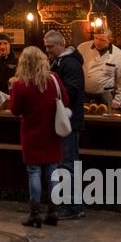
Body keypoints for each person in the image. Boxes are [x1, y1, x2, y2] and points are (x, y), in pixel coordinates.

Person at [9, 46, 64, 228]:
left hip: (32, 133)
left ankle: (35, 213)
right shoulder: (53, 80)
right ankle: (54, 210)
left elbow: (16, 110)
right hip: (51, 132)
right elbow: (66, 100)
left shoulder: (19, 84)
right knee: (52, 170)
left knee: (34, 172)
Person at [44, 29, 85, 219]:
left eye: (50, 47)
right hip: (62, 120)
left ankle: (74, 206)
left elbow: (72, 91)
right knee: (63, 163)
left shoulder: (70, 64)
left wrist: (51, 93)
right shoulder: (59, 62)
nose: (48, 50)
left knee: (68, 163)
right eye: (46, 47)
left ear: (61, 45)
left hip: (69, 121)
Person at [77, 23, 121, 108]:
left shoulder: (119, 55)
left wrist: (118, 100)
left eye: (102, 40)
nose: (97, 42)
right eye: (96, 38)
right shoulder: (82, 48)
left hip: (105, 97)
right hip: (83, 96)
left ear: (110, 39)